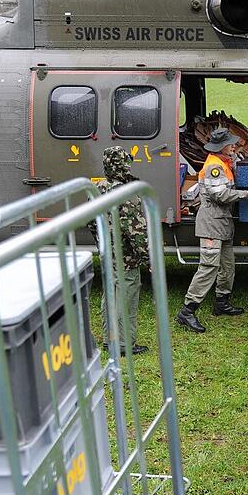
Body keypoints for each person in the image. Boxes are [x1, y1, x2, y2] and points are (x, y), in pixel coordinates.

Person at [176, 127, 248, 333]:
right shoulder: (214, 167)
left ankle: (222, 302)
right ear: (221, 147)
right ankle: (187, 310)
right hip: (212, 224)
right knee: (208, 267)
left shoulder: (224, 163)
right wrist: (246, 194)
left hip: (222, 223)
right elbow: (220, 195)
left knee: (227, 266)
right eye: (230, 144)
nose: (234, 146)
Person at [93, 146, 149, 356]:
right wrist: (149, 258)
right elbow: (137, 234)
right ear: (125, 166)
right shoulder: (127, 194)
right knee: (125, 300)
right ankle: (124, 344)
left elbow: (91, 222)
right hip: (126, 258)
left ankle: (110, 339)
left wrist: (101, 243)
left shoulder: (97, 189)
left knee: (109, 297)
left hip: (107, 254)